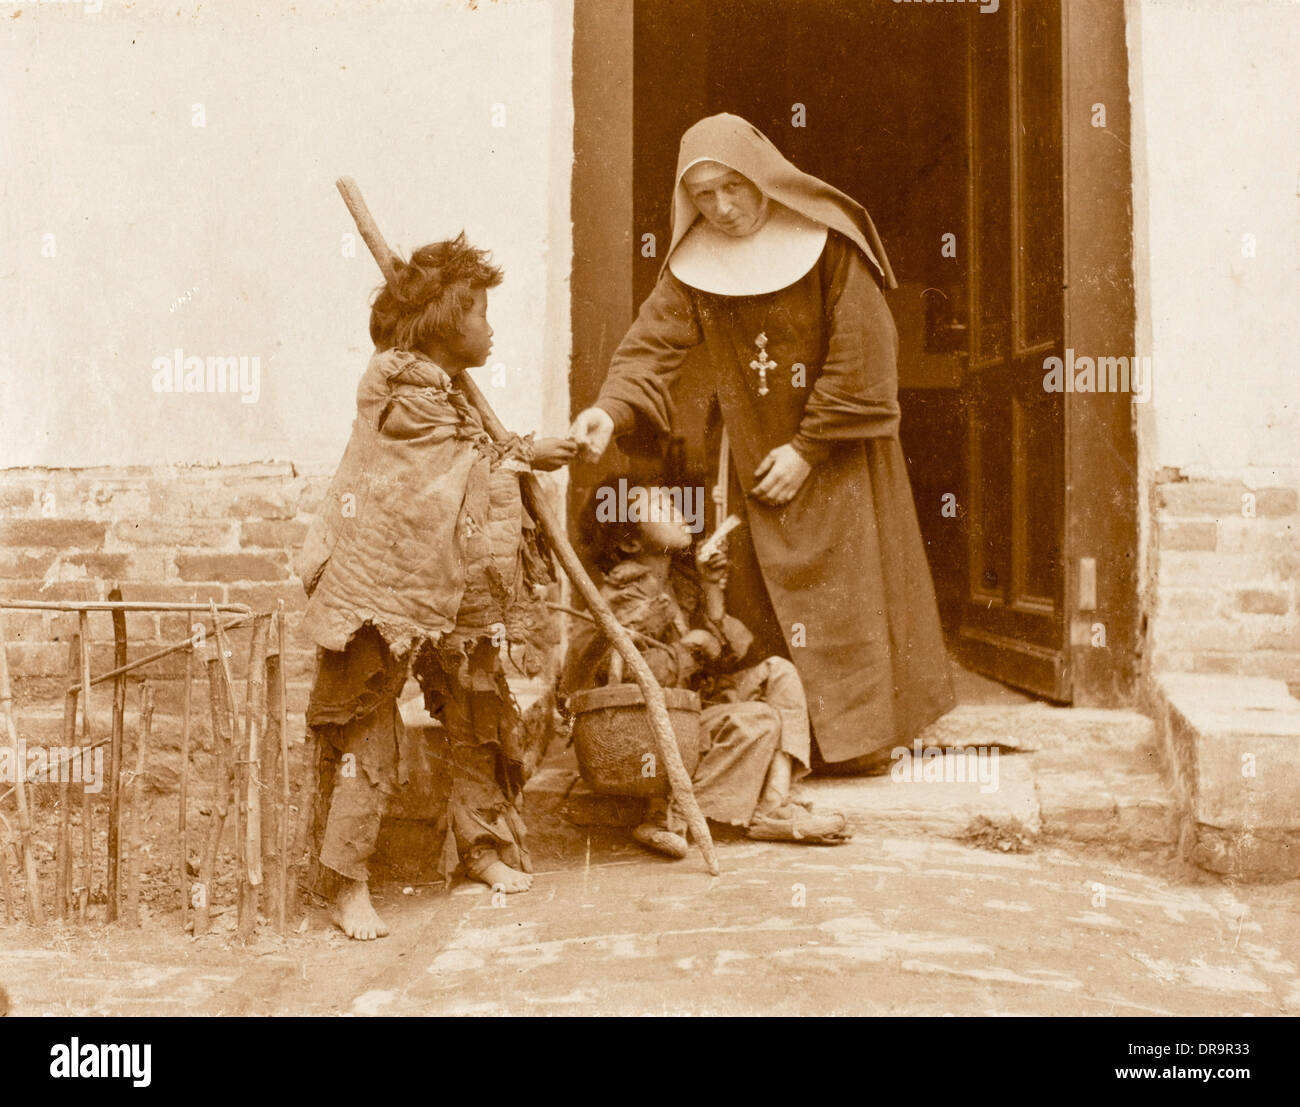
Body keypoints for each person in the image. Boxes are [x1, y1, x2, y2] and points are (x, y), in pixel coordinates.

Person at [568, 114, 955, 773]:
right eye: (703, 196)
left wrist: (807, 448)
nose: (721, 208)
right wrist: (609, 410)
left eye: (733, 188)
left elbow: (864, 349)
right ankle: (784, 743)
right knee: (755, 594)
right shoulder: (693, 268)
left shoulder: (827, 244)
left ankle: (858, 744)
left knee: (845, 591)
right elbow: (648, 349)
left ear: (761, 178)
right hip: (747, 454)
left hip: (836, 452)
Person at [296, 233, 575, 940]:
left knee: (477, 704)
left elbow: (471, 461)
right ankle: (346, 881)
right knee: (370, 731)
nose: (491, 326)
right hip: (383, 588)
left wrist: (504, 452)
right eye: (479, 312)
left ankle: (480, 845)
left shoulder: (445, 390)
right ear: (448, 322)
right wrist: (519, 453)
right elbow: (444, 469)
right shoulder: (397, 386)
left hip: (449, 579)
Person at [560, 472, 849, 856]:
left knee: (779, 672)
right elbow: (634, 678)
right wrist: (693, 648)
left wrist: (713, 591)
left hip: (687, 714)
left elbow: (729, 656)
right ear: (631, 541)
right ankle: (670, 815)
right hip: (644, 729)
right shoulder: (623, 594)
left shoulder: (681, 583)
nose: (679, 512)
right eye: (661, 507)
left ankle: (773, 805)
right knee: (759, 721)